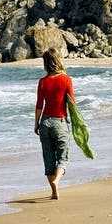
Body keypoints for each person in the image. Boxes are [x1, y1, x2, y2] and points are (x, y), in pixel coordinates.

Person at [34, 47, 76, 199]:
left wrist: (36, 124)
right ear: (58, 60)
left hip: (45, 122)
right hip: (60, 123)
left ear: (46, 63)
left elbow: (39, 105)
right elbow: (72, 104)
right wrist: (77, 124)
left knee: (49, 159)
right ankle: (57, 181)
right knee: (63, 158)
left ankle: (53, 191)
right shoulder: (66, 80)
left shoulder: (43, 82)